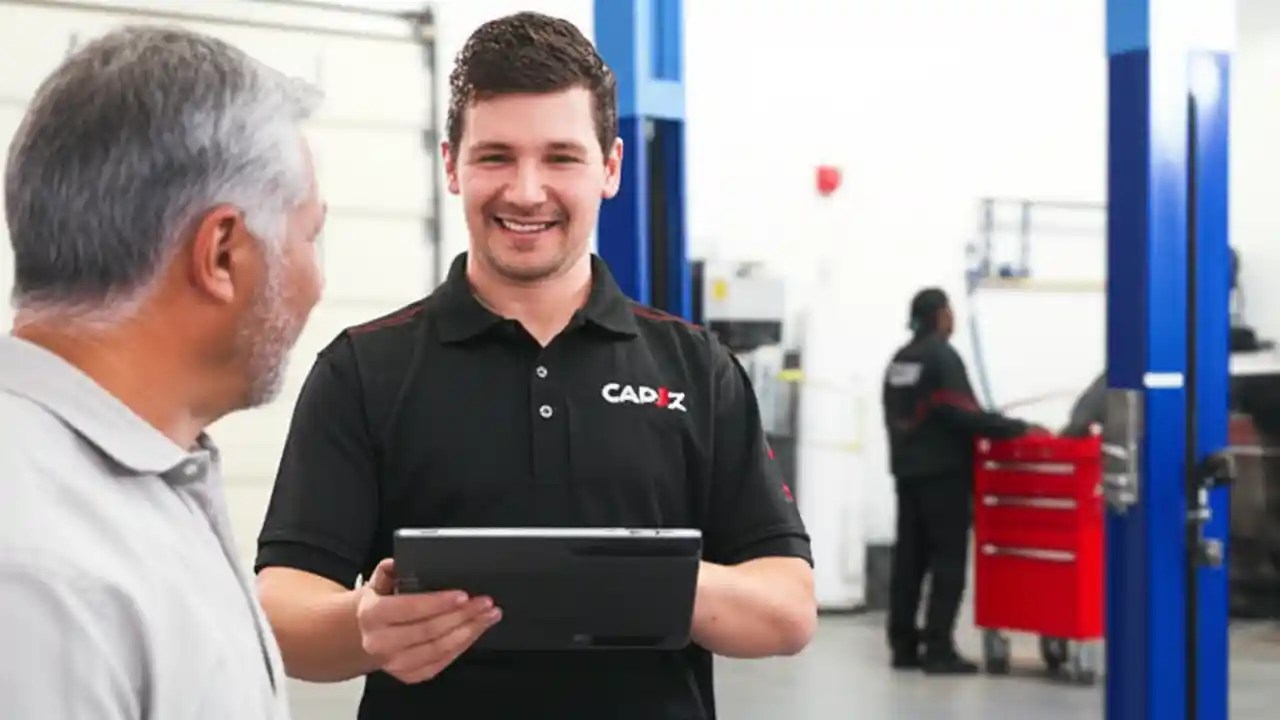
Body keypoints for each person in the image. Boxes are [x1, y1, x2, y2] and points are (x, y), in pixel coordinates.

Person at [254, 11, 816, 720]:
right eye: (495, 157)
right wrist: (361, 626)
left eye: (560, 157)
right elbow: (280, 606)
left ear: (609, 168)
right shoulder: (365, 370)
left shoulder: (697, 369)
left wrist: (635, 581)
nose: (525, 191)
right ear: (451, 165)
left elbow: (789, 608)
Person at [0, 26, 325, 719]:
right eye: (309, 236)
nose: (318, 282)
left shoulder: (136, 489)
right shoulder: (42, 572)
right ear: (222, 253)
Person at [880, 288, 1039, 674]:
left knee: (909, 561)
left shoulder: (900, 360)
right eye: (949, 312)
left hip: (907, 473)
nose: (953, 319)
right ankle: (938, 648)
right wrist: (1016, 428)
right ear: (939, 315)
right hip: (944, 477)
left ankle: (903, 646)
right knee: (948, 561)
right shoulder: (941, 356)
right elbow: (962, 414)